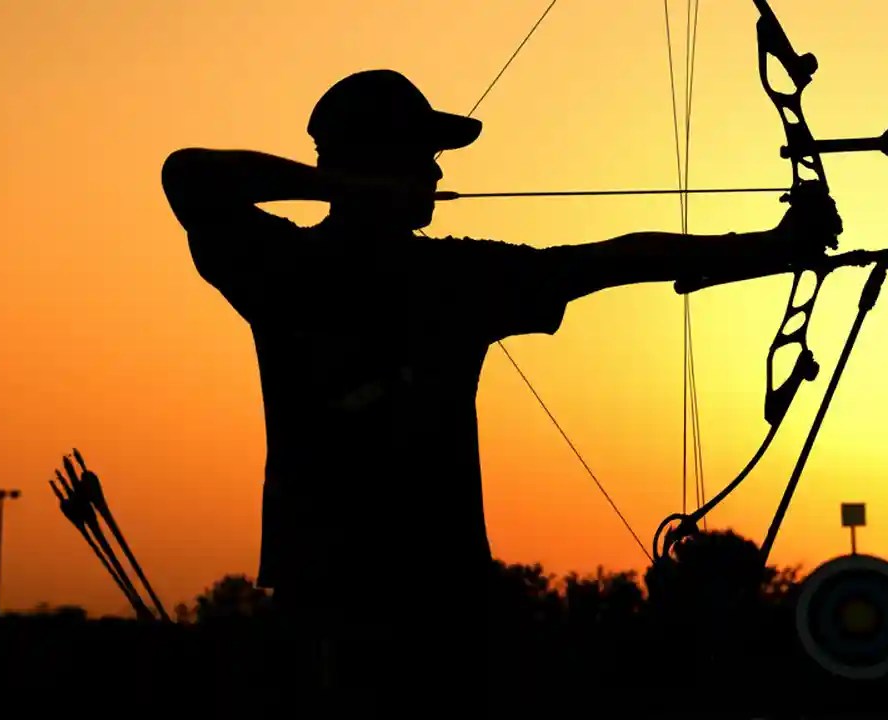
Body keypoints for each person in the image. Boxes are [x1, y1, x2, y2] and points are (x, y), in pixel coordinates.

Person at [160, 68, 844, 715]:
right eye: (423, 154)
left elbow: (618, 259)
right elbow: (187, 172)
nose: (436, 171)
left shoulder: (366, 272)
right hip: (353, 601)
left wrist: (776, 245)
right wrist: (352, 186)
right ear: (380, 159)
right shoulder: (305, 271)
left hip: (427, 600)